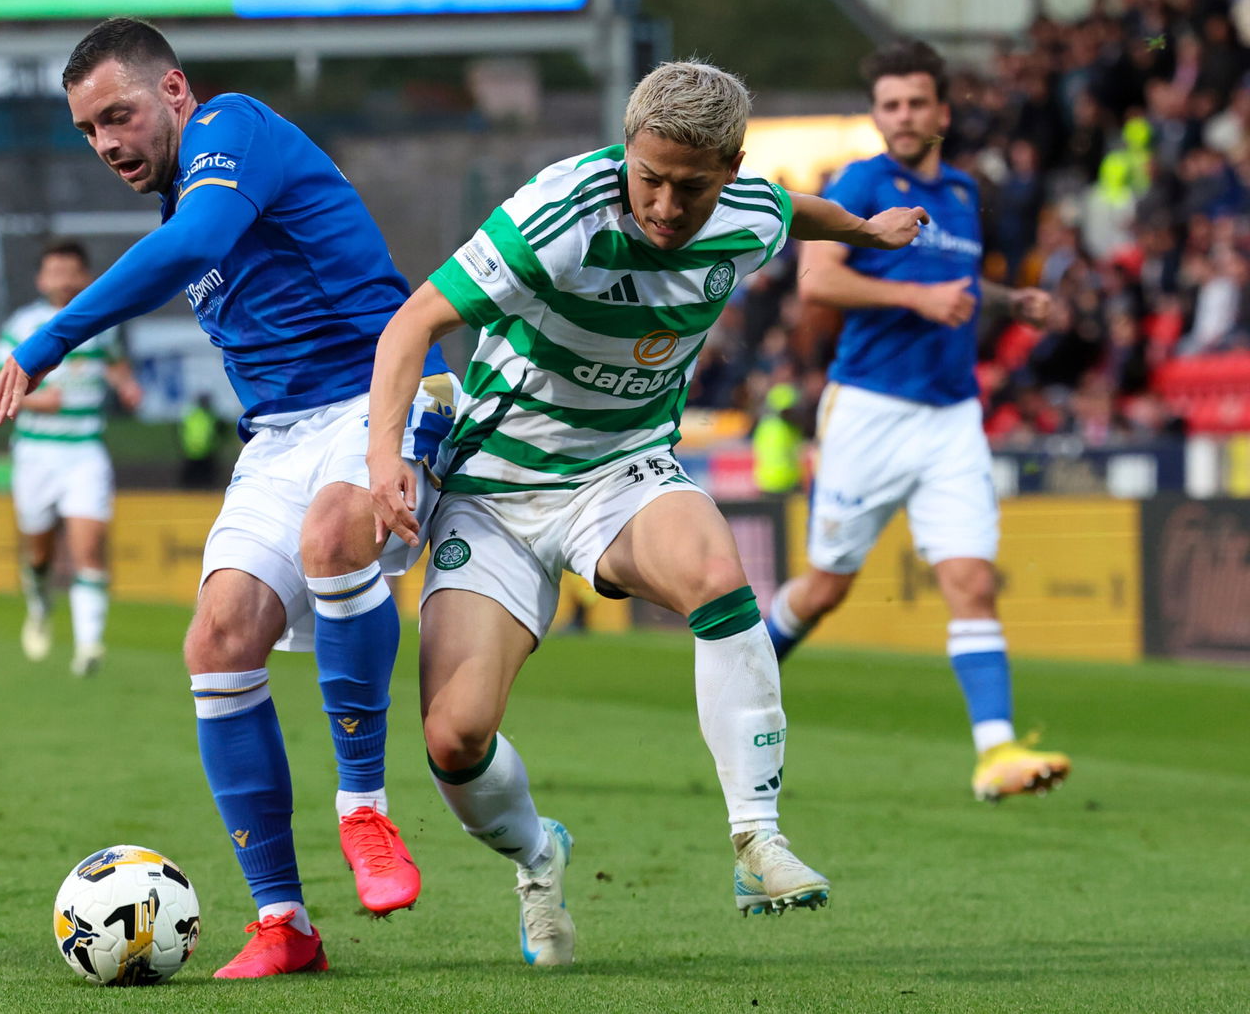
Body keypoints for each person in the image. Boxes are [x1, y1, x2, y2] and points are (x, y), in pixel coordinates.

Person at [367, 60, 927, 966]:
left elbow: (795, 211)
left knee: (715, 572)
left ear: (731, 170)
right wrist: (383, 457)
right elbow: (412, 322)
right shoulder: (559, 214)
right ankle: (537, 856)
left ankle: (757, 839)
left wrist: (869, 229)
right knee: (455, 736)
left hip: (620, 471)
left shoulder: (746, 212)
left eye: (692, 187)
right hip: (496, 487)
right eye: (650, 178)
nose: (667, 205)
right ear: (626, 150)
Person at [0, 18, 458, 978]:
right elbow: (185, 243)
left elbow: (197, 241)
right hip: (280, 436)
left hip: (382, 398)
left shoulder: (232, 129)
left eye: (117, 115)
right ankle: (283, 921)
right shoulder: (180, 201)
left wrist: (49, 337)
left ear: (173, 91)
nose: (106, 142)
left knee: (333, 534)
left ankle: (364, 811)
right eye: (87, 130)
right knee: (217, 638)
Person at [772, 40, 1072, 802]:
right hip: (869, 410)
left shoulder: (964, 192)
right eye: (890, 104)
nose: (903, 116)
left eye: (916, 103)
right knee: (825, 589)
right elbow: (818, 280)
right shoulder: (860, 182)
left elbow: (957, 282)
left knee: (971, 578)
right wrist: (918, 300)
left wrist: (1011, 302)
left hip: (951, 414)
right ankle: (745, 668)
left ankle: (996, 753)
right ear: (877, 114)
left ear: (942, 111)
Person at [0, 240, 142, 677]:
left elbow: (115, 365)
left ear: (85, 277)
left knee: (89, 546)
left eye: (70, 271)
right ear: (40, 279)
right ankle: (39, 601)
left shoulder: (102, 321)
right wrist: (36, 401)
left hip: (85, 450)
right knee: (39, 552)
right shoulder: (24, 323)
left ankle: (89, 645)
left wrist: (127, 385)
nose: (62, 279)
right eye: (54, 271)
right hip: (36, 452)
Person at [178, 392, 227, 488]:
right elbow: (220, 431)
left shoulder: (191, 415)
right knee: (206, 478)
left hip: (191, 450)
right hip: (205, 451)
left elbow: (182, 431)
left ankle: (187, 491)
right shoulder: (210, 416)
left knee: (190, 478)